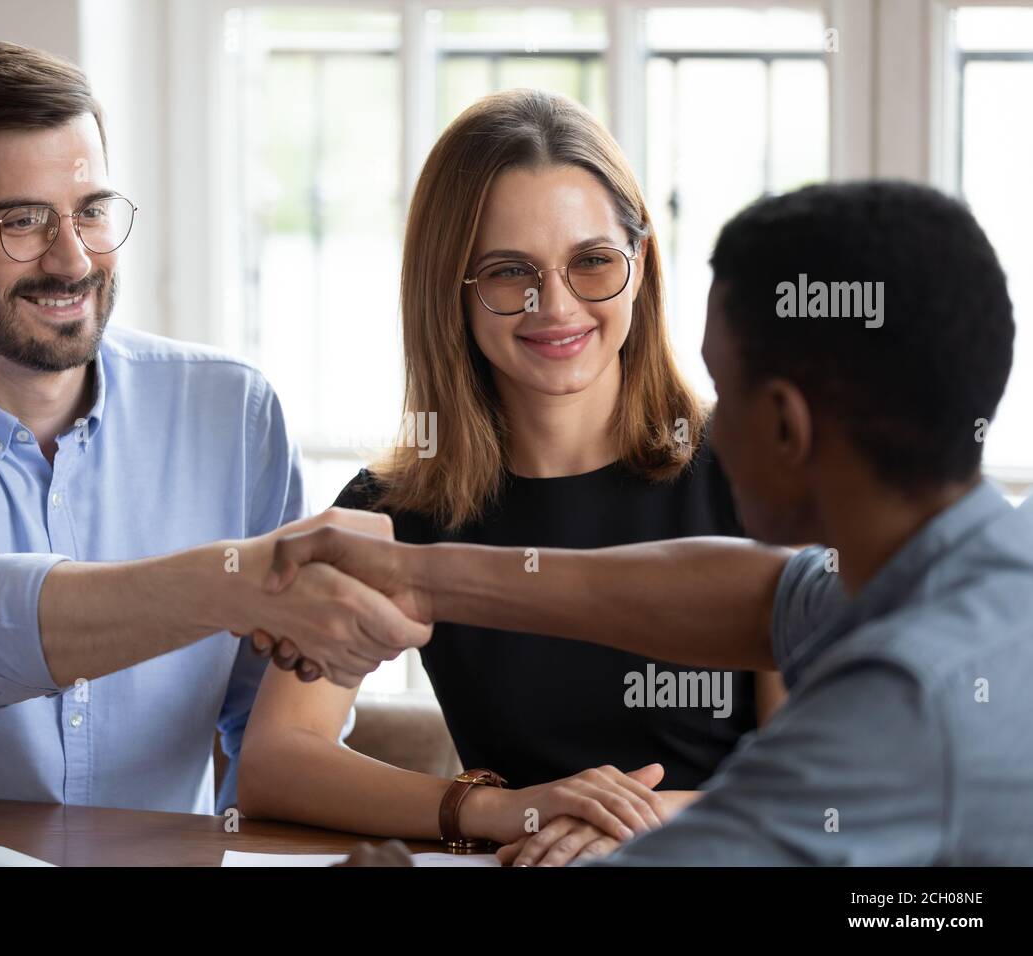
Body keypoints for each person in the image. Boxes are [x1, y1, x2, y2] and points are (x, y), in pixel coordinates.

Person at [263, 180, 1033, 865]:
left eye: (725, 392)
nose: (709, 425)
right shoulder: (981, 571)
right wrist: (422, 578)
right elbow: (757, 594)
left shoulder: (901, 702)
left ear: (786, 427)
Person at [0, 42, 425, 815]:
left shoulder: (232, 413)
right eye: (23, 221)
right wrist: (236, 581)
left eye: (92, 212)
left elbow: (267, 737)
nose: (73, 259)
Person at [236, 90, 784, 858]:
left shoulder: (760, 468)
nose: (555, 306)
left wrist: (625, 826)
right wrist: (500, 810)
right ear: (448, 289)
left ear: (641, 264)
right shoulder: (395, 507)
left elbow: (830, 784)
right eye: (507, 272)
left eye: (592, 261)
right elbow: (273, 763)